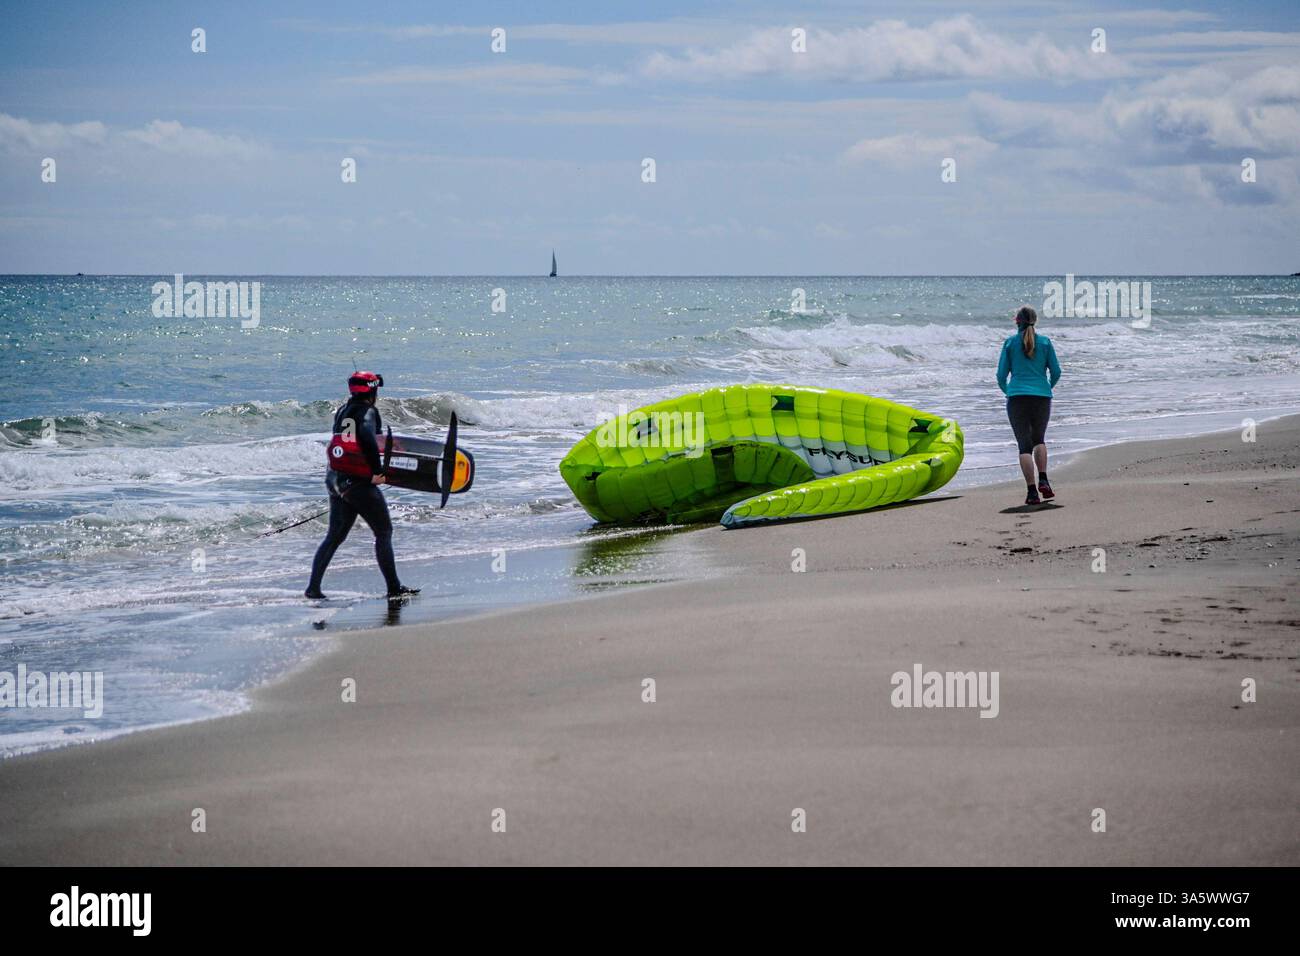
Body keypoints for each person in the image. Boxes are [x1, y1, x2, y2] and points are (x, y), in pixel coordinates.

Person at [305, 371, 420, 600]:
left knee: (334, 536)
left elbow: (345, 445)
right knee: (384, 531)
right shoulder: (368, 411)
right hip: (358, 483)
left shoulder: (342, 412)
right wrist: (377, 472)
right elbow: (367, 438)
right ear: (373, 390)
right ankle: (394, 588)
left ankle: (313, 588)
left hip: (336, 479)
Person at [997, 305, 1061, 506]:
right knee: (1039, 440)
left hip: (1017, 397)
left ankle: (1032, 492)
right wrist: (1046, 387)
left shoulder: (1009, 343)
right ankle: (1044, 479)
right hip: (1041, 396)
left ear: (1017, 321)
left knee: (1024, 445)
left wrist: (1009, 391)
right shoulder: (1045, 342)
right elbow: (1056, 371)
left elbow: (1000, 376)